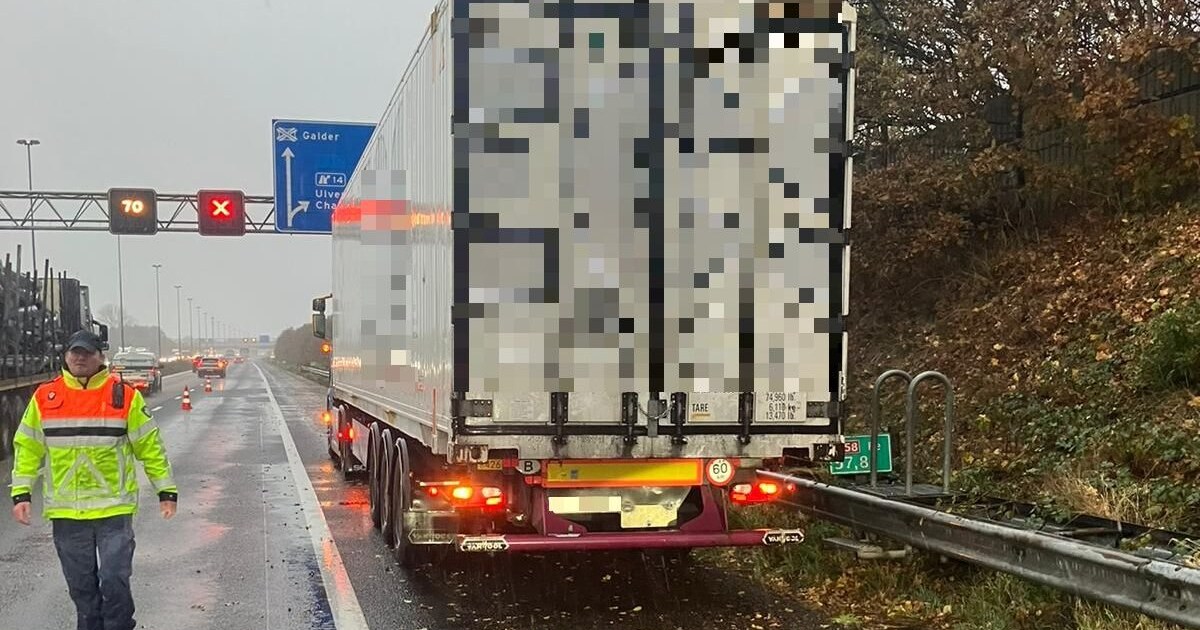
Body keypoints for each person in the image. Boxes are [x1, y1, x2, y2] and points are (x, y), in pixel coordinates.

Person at [9, 329, 178, 630]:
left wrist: (165, 490)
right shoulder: (45, 398)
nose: (79, 357)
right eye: (74, 351)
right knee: (83, 593)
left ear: (100, 356)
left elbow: (150, 447)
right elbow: (27, 448)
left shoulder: (124, 396)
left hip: (113, 510)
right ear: (65, 356)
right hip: (67, 514)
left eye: (86, 352)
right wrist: (21, 494)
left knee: (114, 583)